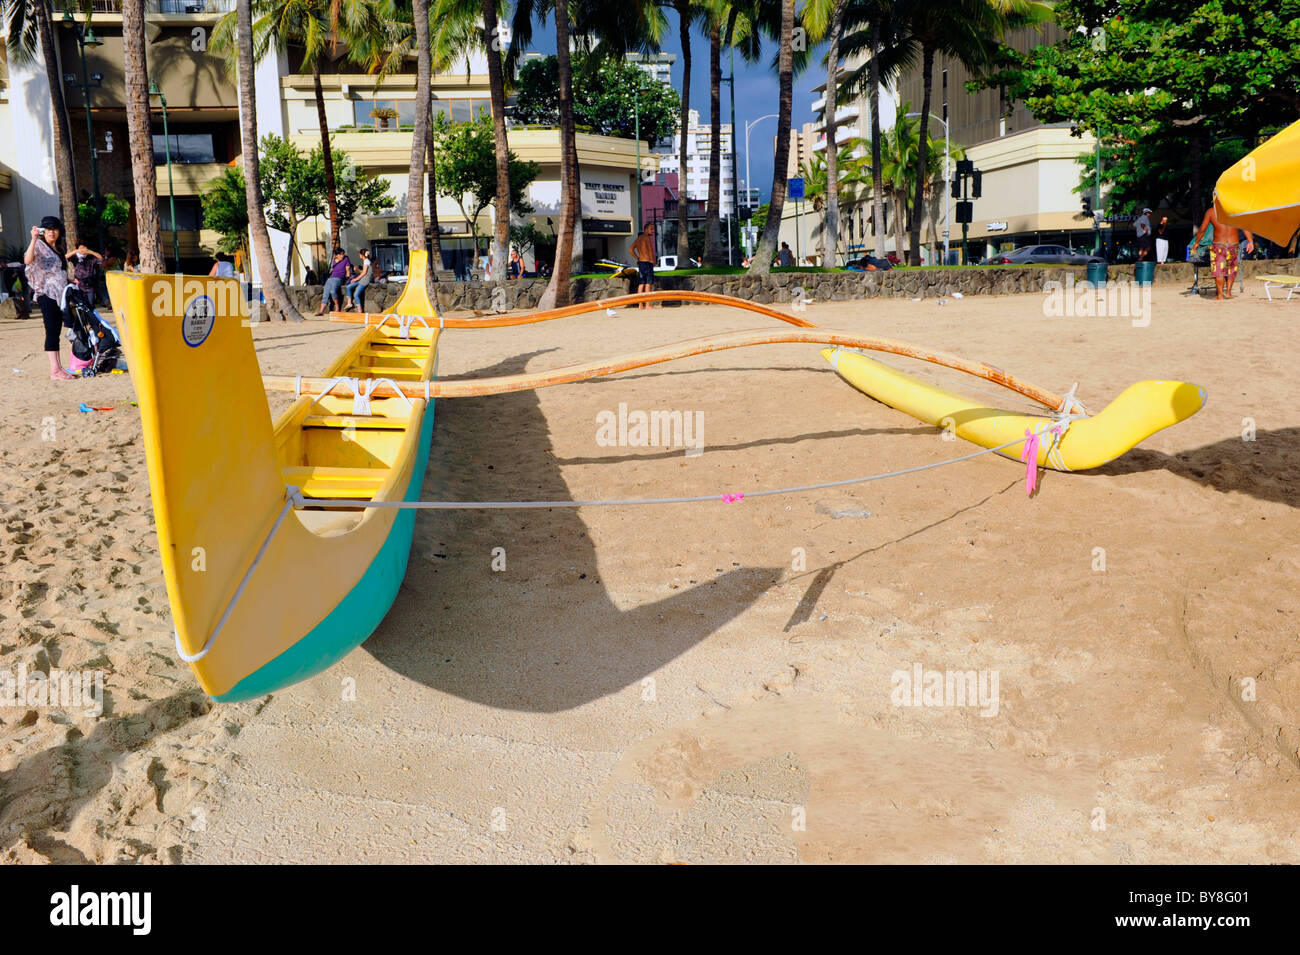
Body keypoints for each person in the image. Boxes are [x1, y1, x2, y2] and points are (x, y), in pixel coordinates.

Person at [25, 216, 75, 380]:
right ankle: (54, 370)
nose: (51, 232)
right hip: (46, 293)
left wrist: (70, 281)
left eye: (54, 229)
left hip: (59, 295)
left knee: (57, 330)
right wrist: (33, 239)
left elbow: (59, 271)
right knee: (52, 331)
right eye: (48, 229)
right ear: (42, 232)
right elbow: (28, 260)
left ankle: (59, 368)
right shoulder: (39, 245)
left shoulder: (59, 249)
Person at [1193, 202, 1255, 300]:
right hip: (1233, 245)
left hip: (1218, 245)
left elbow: (1202, 229)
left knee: (1218, 270)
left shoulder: (1211, 212)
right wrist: (1250, 241)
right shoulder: (1235, 210)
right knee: (1232, 269)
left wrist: (1196, 242)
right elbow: (1244, 226)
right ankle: (1229, 293)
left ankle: (1220, 295)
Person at [629, 223, 657, 309]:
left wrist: (637, 257)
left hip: (641, 262)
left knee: (641, 284)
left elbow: (630, 249)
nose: (653, 231)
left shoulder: (638, 239)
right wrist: (653, 261)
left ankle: (640, 305)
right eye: (651, 229)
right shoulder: (646, 238)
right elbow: (650, 250)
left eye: (653, 229)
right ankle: (648, 304)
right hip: (647, 263)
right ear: (645, 230)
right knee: (648, 284)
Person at [317, 248, 350, 315]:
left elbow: (347, 270)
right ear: (336, 255)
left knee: (333, 291)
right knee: (325, 293)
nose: (342, 256)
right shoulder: (334, 261)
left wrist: (348, 279)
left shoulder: (346, 259)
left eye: (342, 254)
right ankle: (321, 311)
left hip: (338, 278)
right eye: (340, 254)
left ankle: (337, 307)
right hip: (331, 278)